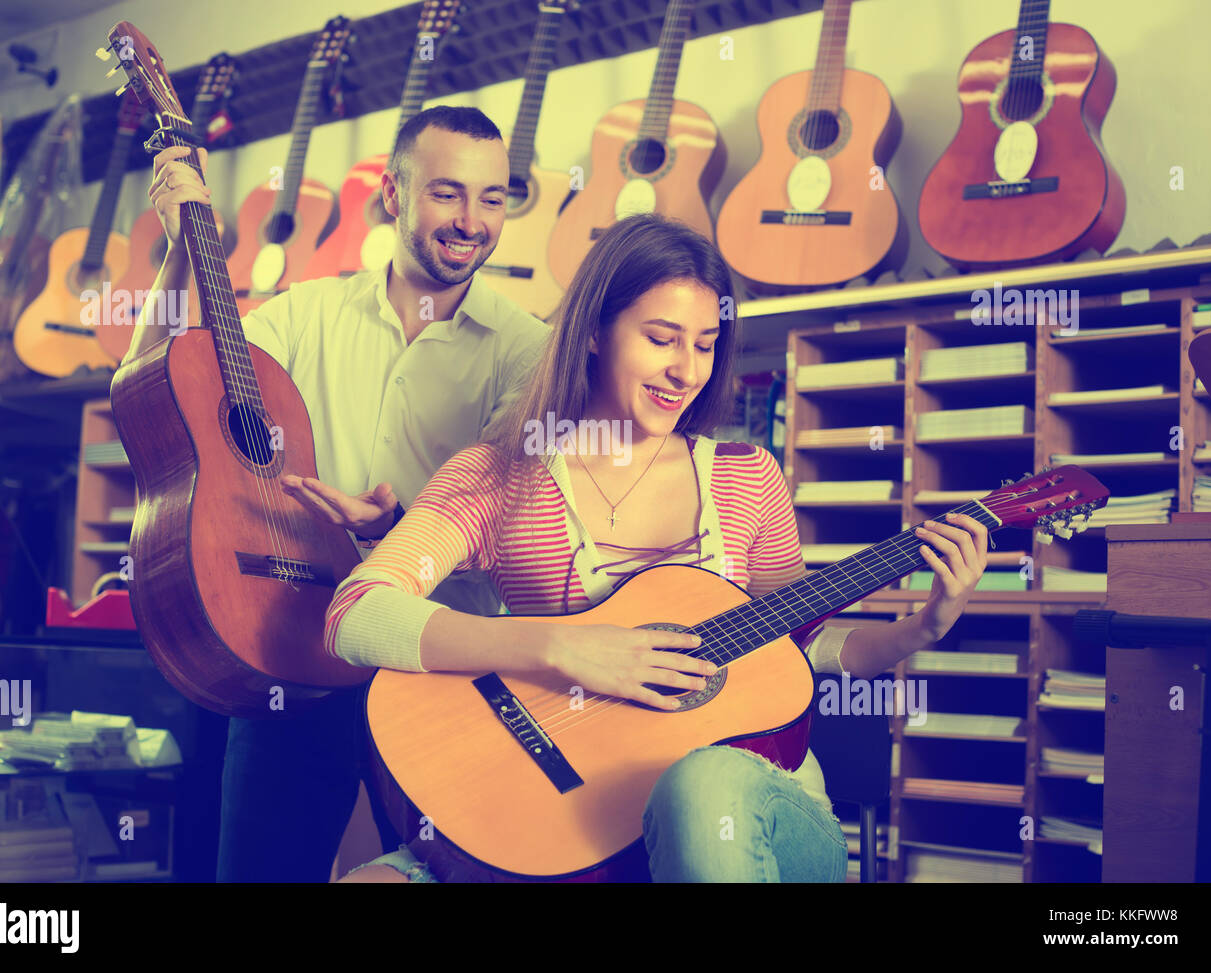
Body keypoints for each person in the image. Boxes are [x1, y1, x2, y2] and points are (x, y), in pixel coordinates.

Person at [327, 213, 990, 883]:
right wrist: (559, 647)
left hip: (756, 814)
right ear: (592, 332)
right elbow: (356, 615)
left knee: (700, 786)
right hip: (571, 809)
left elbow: (803, 645)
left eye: (705, 345)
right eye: (661, 338)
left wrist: (922, 626)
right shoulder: (498, 477)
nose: (687, 370)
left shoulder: (748, 476)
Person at [124, 106, 551, 882]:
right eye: (447, 194)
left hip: (439, 671)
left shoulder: (530, 352)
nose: (472, 221)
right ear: (393, 193)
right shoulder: (306, 311)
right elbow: (153, 381)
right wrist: (183, 252)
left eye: (492, 199)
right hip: (296, 647)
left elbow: (511, 525)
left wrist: (400, 527)